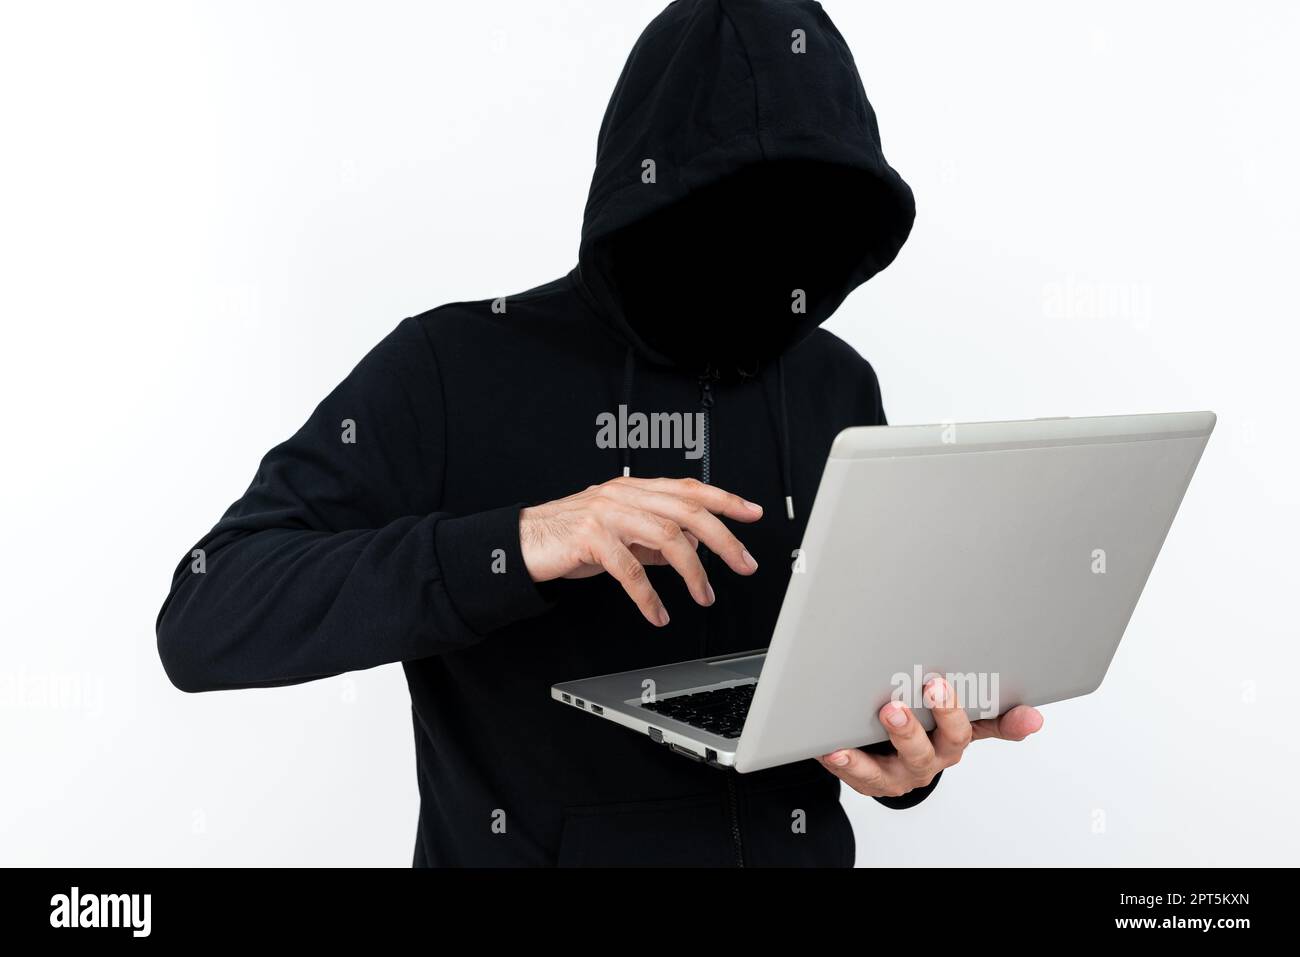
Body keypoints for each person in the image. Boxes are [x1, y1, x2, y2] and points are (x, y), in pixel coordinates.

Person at [157, 0, 1042, 867]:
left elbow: (855, 671)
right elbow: (205, 615)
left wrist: (904, 761)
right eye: (729, 199)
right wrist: (522, 540)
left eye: (801, 202)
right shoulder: (448, 365)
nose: (763, 241)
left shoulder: (837, 381)